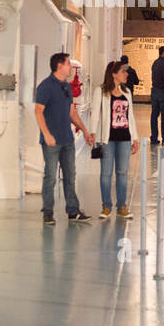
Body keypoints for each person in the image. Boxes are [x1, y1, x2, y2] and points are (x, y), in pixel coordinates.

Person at [34, 52, 96, 226]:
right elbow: (38, 111)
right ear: (59, 66)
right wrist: (46, 134)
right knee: (50, 177)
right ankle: (47, 212)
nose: (71, 67)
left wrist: (84, 130)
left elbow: (71, 112)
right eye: (69, 64)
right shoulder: (45, 86)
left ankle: (73, 210)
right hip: (51, 141)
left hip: (67, 139)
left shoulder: (67, 87)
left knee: (70, 176)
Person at [96, 60, 139, 219]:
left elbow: (131, 117)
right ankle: (106, 206)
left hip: (124, 139)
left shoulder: (127, 92)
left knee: (122, 173)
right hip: (107, 139)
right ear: (113, 74)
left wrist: (135, 138)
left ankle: (122, 206)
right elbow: (96, 115)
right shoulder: (100, 92)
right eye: (123, 71)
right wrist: (94, 135)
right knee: (106, 174)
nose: (126, 74)